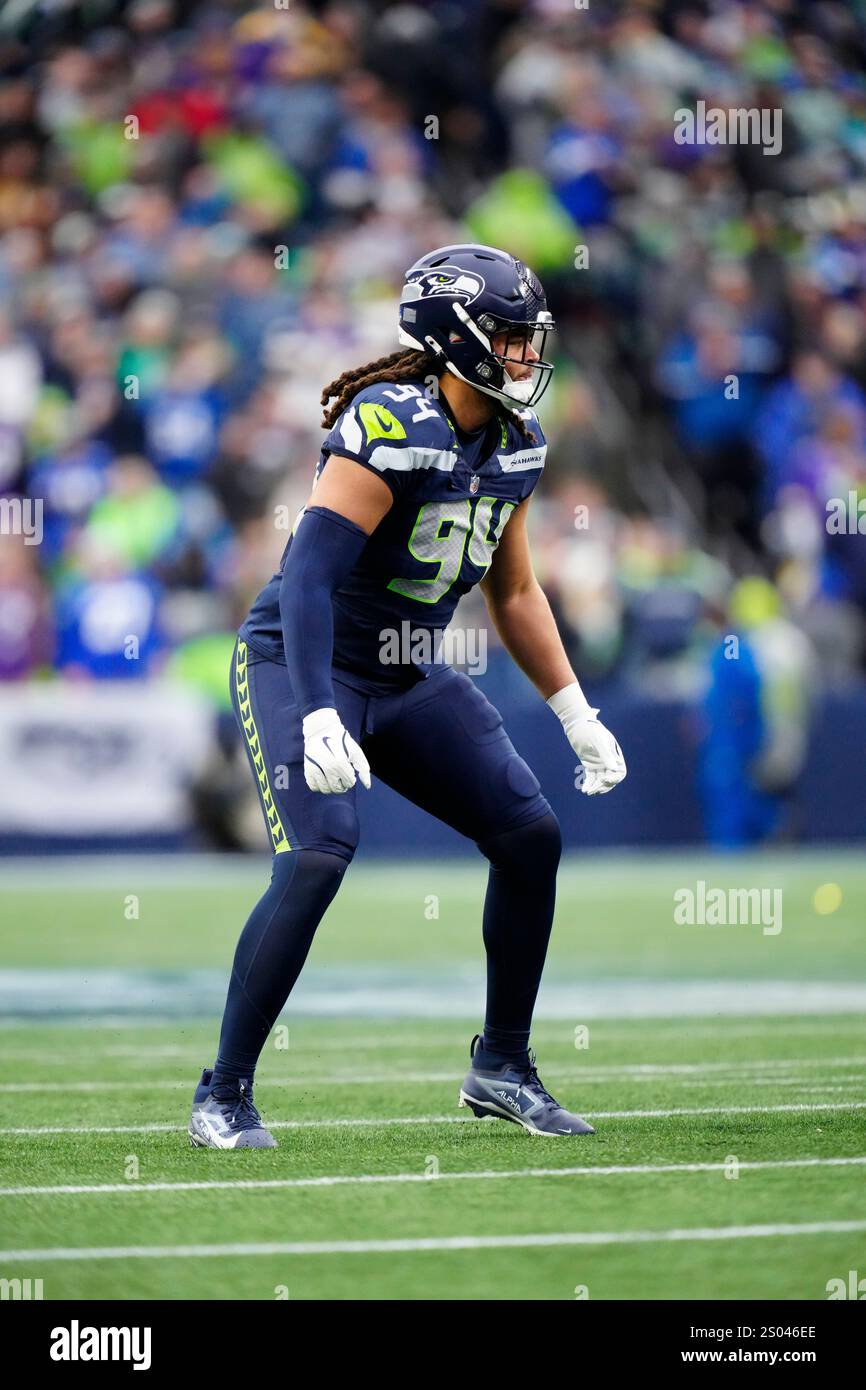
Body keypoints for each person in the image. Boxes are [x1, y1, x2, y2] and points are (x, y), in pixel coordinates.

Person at [188, 244, 627, 1148]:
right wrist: (314, 709)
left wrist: (576, 711)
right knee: (317, 854)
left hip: (406, 667)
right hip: (299, 658)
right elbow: (306, 578)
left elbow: (514, 593)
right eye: (508, 338)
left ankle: (501, 1065)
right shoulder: (390, 420)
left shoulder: (516, 444)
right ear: (457, 337)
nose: (523, 357)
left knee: (528, 833)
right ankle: (221, 1093)